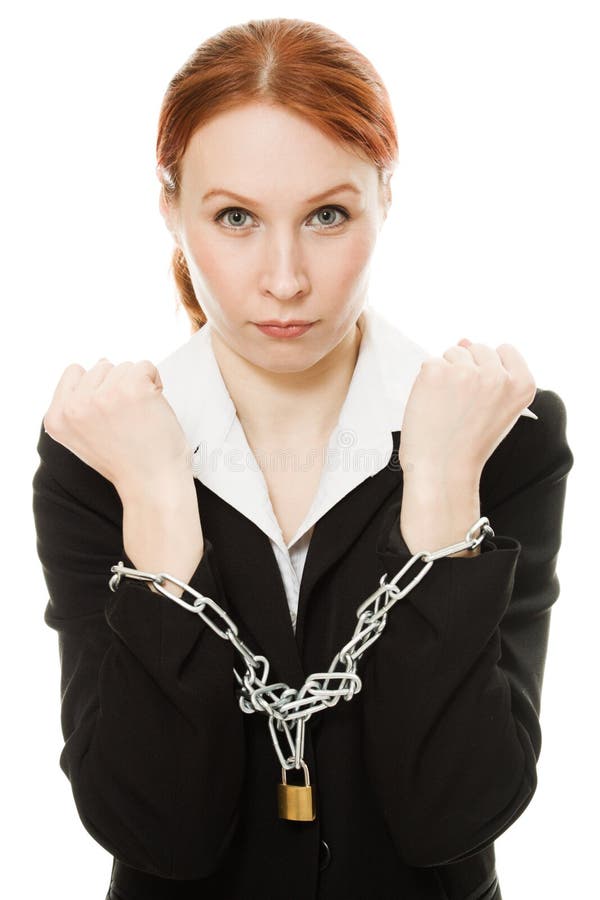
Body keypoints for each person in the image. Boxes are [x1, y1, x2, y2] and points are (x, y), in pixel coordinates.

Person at [32, 17, 574, 900]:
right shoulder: (99, 448)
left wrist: (439, 485)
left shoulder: (503, 435)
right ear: (170, 209)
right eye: (235, 217)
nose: (284, 279)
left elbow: (457, 815)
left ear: (384, 198)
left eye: (327, 215)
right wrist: (162, 503)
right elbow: (149, 829)